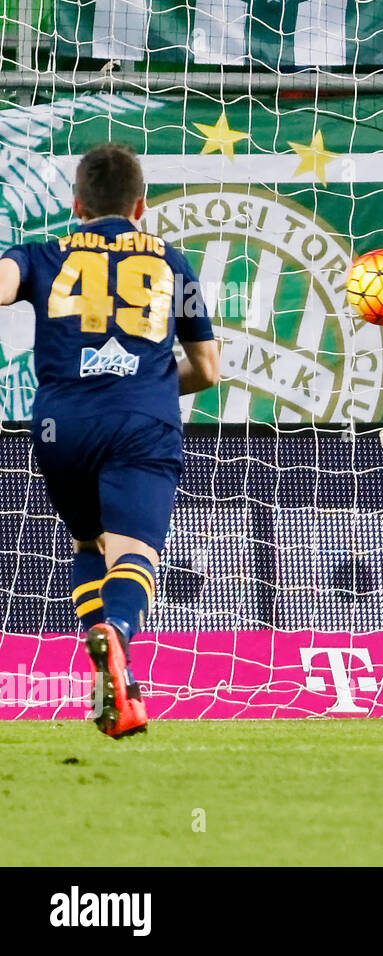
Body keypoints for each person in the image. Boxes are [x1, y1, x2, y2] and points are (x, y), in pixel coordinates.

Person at [0, 143, 220, 739]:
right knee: (134, 554)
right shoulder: (174, 263)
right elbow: (207, 368)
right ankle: (116, 634)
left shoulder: (43, 253)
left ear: (76, 204)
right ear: (141, 206)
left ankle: (111, 688)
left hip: (59, 426)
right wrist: (146, 381)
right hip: (140, 422)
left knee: (87, 540)